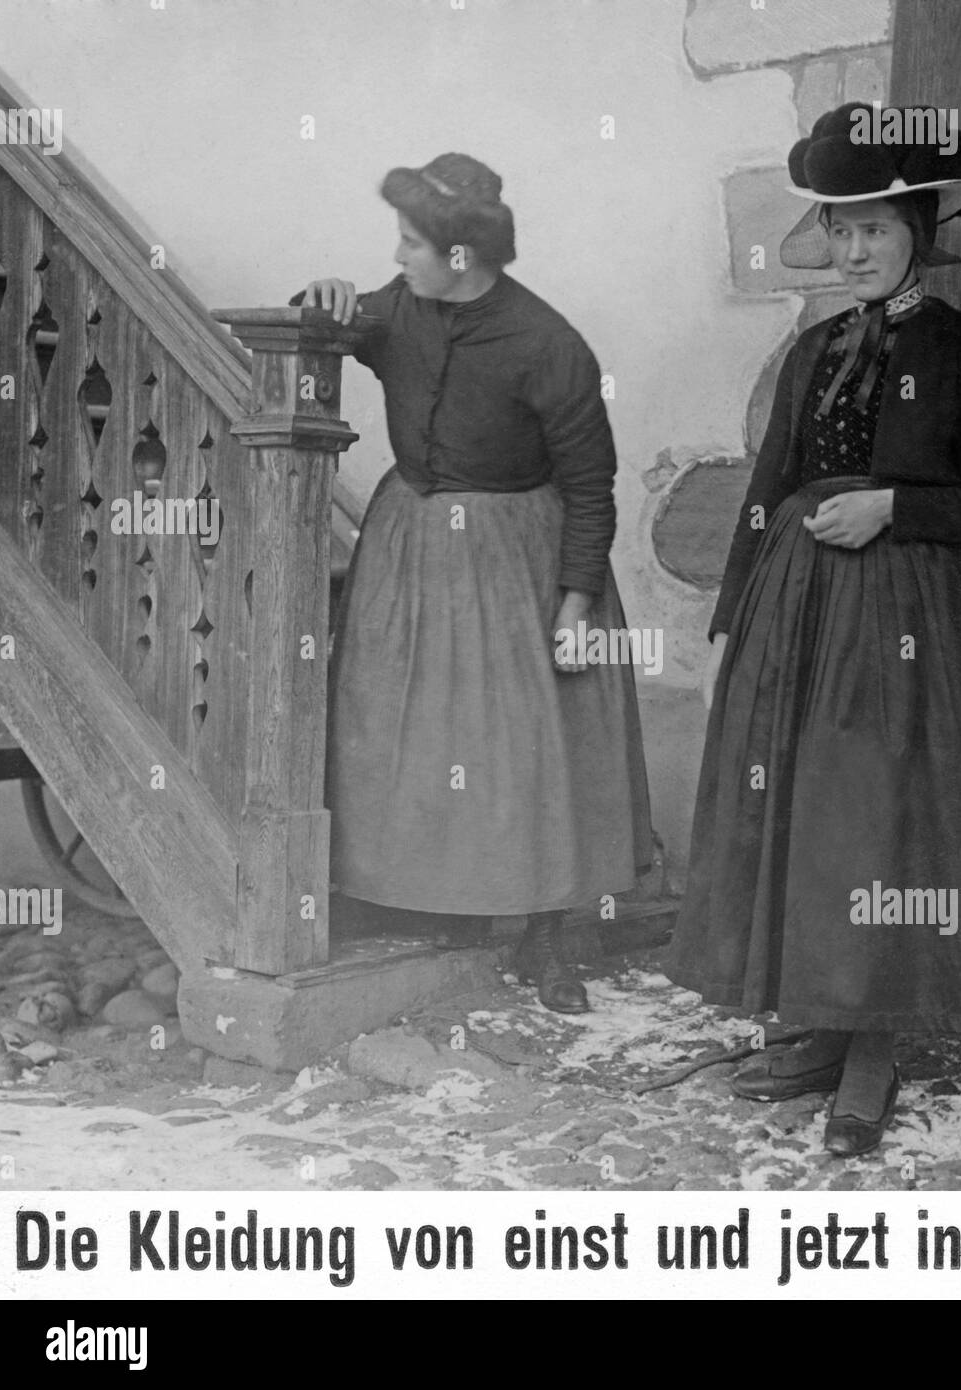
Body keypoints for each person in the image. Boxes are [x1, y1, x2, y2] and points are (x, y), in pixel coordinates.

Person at [666, 103, 961, 1155]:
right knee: (817, 812)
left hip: (918, 619)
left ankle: (875, 1049)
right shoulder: (812, 352)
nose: (854, 252)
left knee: (890, 818)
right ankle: (825, 1022)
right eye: (840, 231)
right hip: (799, 609)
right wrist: (727, 622)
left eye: (874, 231)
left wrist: (897, 507)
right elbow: (767, 490)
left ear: (919, 235)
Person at [299, 153, 653, 1014]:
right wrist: (322, 296)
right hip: (413, 540)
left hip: (517, 556)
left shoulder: (548, 344)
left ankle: (543, 935)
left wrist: (573, 605)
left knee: (525, 745)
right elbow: (326, 323)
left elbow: (588, 486)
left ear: (462, 256)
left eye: (413, 243)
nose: (400, 255)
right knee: (411, 725)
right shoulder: (398, 309)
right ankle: (443, 907)